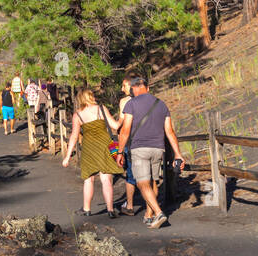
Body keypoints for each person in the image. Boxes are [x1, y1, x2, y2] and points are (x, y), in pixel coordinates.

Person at [115, 76, 185, 229]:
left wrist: (120, 152)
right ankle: (149, 215)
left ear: (133, 88)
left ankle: (159, 213)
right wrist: (178, 154)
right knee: (152, 181)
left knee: (142, 183)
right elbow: (170, 131)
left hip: (139, 149)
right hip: (158, 149)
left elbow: (125, 130)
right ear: (147, 87)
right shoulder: (161, 105)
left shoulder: (131, 104)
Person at [62, 88, 124, 217]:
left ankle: (86, 209)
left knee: (88, 179)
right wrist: (124, 116)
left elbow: (74, 136)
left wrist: (67, 157)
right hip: (104, 146)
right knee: (106, 178)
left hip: (89, 148)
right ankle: (110, 209)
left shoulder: (78, 115)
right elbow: (116, 126)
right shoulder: (101, 109)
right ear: (90, 97)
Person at [115, 78, 140, 216]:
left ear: (130, 86)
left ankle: (130, 205)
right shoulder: (146, 99)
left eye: (123, 85)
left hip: (129, 140)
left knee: (130, 173)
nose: (121, 89)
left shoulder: (124, 102)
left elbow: (121, 123)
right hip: (146, 139)